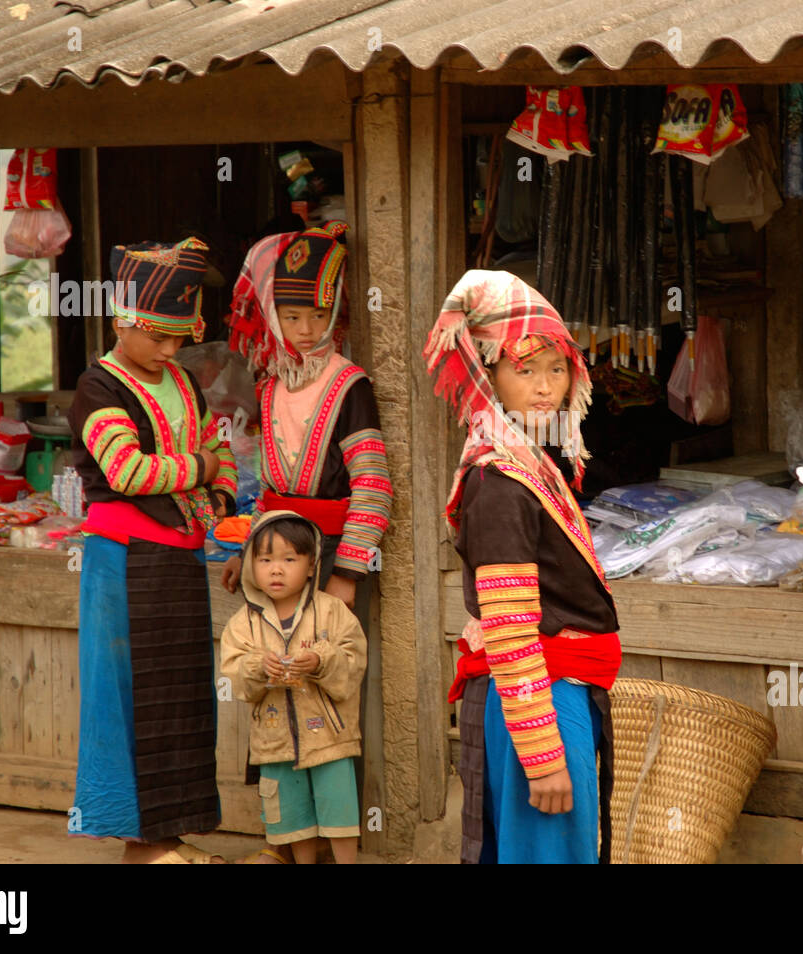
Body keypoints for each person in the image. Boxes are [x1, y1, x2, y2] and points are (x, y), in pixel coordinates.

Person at [425, 269, 622, 864]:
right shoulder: (500, 484)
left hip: (554, 693)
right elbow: (510, 629)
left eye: (557, 369)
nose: (545, 387)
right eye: (525, 369)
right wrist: (543, 756)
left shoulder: (532, 464)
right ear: (489, 376)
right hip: (540, 702)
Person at [69, 237, 237, 864]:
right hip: (124, 562)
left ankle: (170, 837)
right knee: (129, 697)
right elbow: (127, 472)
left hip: (180, 558)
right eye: (159, 337)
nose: (171, 351)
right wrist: (202, 467)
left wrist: (214, 486)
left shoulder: (184, 382)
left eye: (178, 338)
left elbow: (222, 451)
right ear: (122, 321)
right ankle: (139, 846)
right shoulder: (97, 387)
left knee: (181, 698)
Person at [220, 222, 391, 607]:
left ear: (334, 313)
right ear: (272, 316)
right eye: (292, 317)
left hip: (329, 553)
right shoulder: (271, 385)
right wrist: (246, 552)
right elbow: (267, 493)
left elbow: (373, 485)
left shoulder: (350, 386)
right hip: (274, 558)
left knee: (328, 645)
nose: (307, 330)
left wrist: (347, 573)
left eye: (318, 315)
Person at [220, 510, 366, 864]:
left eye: (289, 559)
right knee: (293, 819)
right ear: (251, 565)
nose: (276, 570)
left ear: (312, 566)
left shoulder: (332, 611)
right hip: (274, 741)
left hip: (330, 738)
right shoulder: (242, 623)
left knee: (339, 812)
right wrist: (258, 666)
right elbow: (233, 675)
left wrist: (320, 660)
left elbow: (355, 659)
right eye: (265, 559)